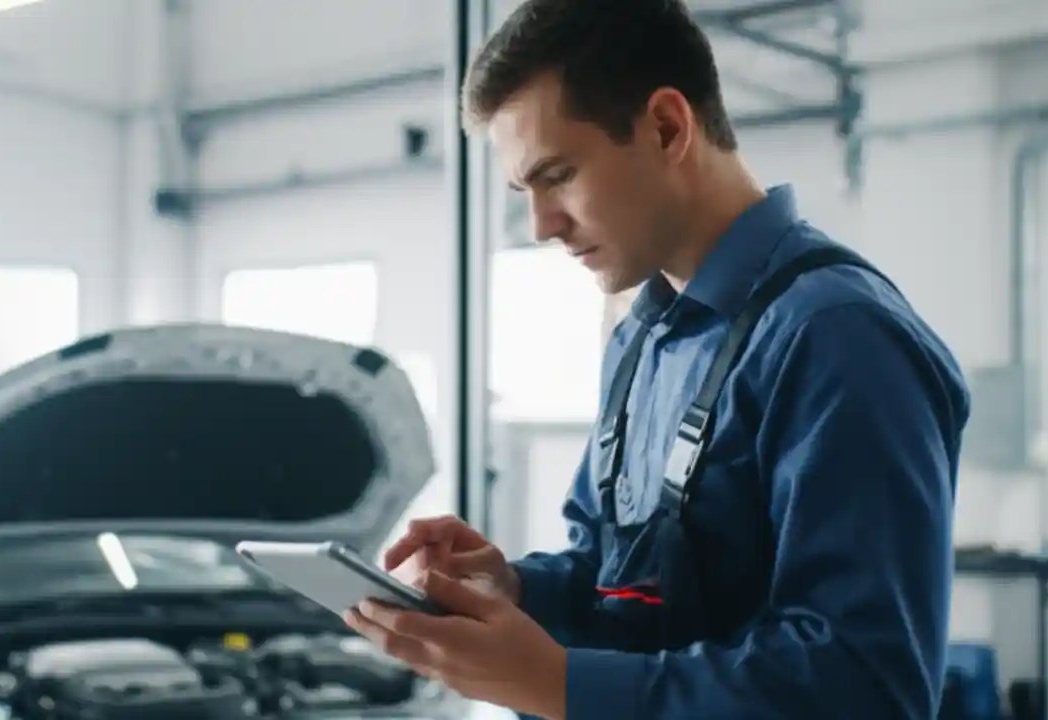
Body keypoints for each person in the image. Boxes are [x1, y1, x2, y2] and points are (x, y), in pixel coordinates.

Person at [342, 0, 971, 718]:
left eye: (559, 175)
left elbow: (867, 684)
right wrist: (515, 591)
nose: (543, 225)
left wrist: (562, 686)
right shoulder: (643, 340)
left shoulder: (836, 336)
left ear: (668, 128)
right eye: (526, 191)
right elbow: (619, 582)